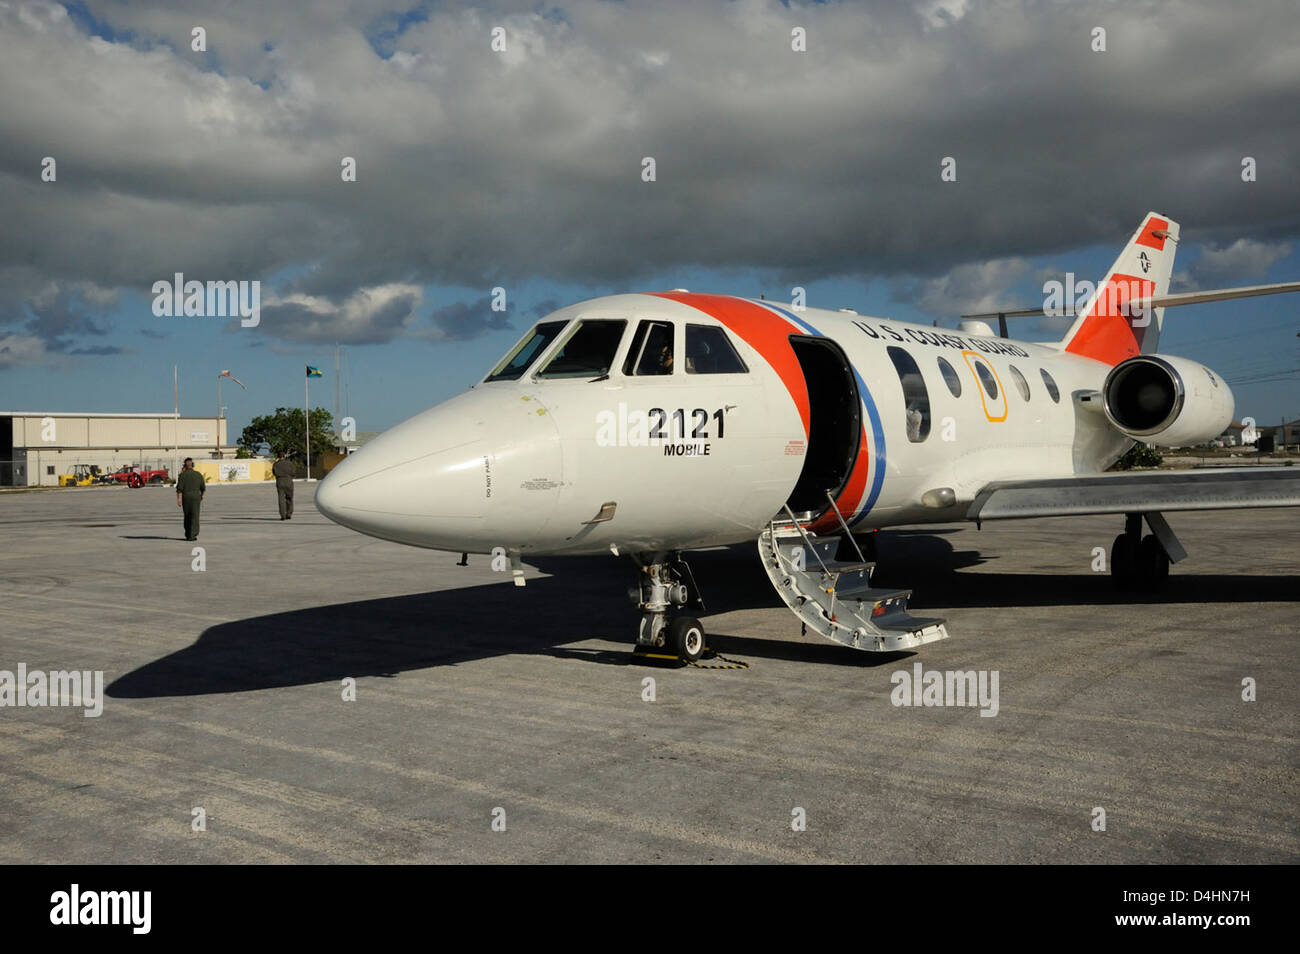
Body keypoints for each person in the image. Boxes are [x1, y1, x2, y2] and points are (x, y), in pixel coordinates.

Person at [175, 458, 205, 541]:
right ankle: (193, 534)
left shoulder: (182, 475)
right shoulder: (198, 474)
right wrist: (201, 496)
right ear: (193, 465)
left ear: (185, 465)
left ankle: (188, 534)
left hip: (186, 498)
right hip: (196, 498)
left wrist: (179, 500)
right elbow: (203, 488)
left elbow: (179, 489)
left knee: (187, 516)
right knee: (195, 516)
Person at [272, 450, 295, 520]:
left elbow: (274, 473)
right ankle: (289, 513)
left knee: (281, 499)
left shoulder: (275, 464)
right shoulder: (290, 463)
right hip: (289, 482)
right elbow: (293, 472)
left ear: (278, 457)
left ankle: (282, 515)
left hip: (280, 482)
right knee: (289, 498)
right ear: (284, 456)